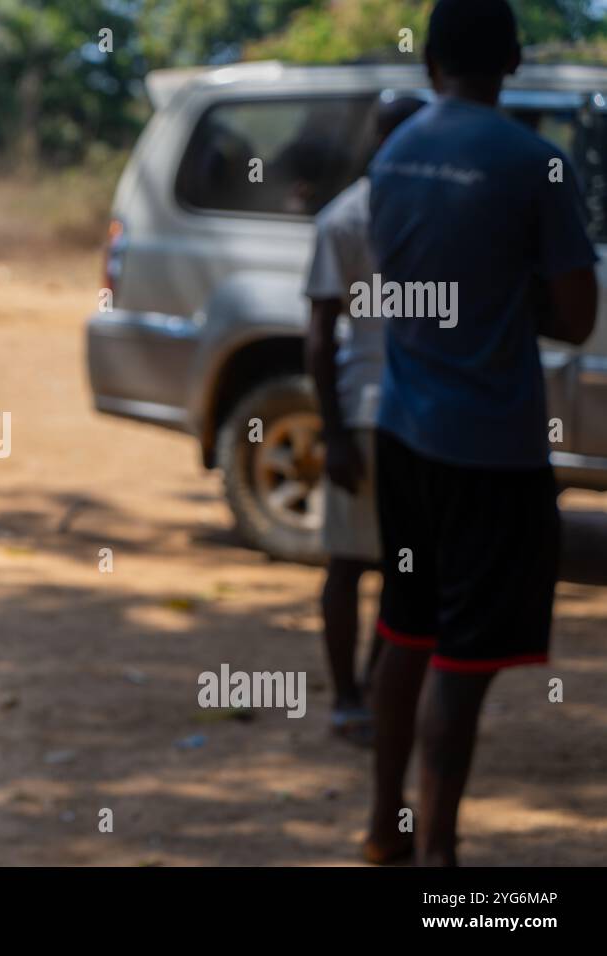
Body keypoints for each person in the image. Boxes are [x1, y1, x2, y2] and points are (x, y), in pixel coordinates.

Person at [364, 0, 597, 866]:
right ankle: (440, 857)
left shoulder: (391, 155)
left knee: (403, 631)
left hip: (402, 431)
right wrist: (511, 293)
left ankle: (386, 828)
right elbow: (577, 316)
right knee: (465, 656)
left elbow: (398, 284)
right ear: (514, 60)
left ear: (431, 62)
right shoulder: (535, 163)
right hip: (491, 448)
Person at [304, 95, 426, 747]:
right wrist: (336, 431)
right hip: (387, 413)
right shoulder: (355, 218)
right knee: (370, 566)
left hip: (387, 413)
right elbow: (320, 337)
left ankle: (366, 695)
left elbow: (322, 336)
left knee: (365, 564)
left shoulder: (347, 215)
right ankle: (357, 696)